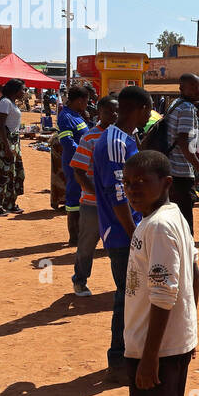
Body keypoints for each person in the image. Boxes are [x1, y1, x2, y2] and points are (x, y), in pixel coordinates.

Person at [115, 149, 198, 396]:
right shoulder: (167, 218)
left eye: (141, 183)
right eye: (127, 183)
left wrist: (149, 358)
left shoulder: (161, 226)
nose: (132, 191)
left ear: (166, 183)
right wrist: (190, 330)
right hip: (168, 344)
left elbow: (165, 294)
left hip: (157, 349)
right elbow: (193, 272)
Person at [90, 86, 153, 383]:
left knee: (132, 295)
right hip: (122, 233)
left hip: (125, 230)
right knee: (127, 297)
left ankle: (126, 355)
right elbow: (118, 194)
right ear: (139, 110)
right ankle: (119, 359)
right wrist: (134, 233)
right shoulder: (116, 142)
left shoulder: (123, 139)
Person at [70, 95, 118, 297]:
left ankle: (123, 284)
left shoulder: (125, 136)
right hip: (93, 204)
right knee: (87, 245)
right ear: (99, 112)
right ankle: (80, 280)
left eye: (117, 111)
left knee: (119, 246)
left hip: (118, 203)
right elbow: (78, 171)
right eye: (109, 111)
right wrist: (96, 193)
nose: (114, 115)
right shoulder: (89, 138)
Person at [167, 74, 199, 235]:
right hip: (180, 174)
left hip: (170, 170)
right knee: (186, 229)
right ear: (182, 88)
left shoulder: (175, 104)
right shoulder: (187, 108)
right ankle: (188, 260)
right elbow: (183, 143)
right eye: (194, 87)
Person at [57, 86, 90, 246]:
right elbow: (67, 143)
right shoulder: (66, 117)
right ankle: (74, 237)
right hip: (74, 163)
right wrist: (85, 154)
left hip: (82, 162)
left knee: (80, 197)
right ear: (79, 100)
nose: (87, 104)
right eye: (86, 101)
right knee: (74, 198)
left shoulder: (76, 115)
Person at [0, 78, 26, 215]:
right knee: (3, 175)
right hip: (5, 142)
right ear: (15, 90)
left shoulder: (11, 103)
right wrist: (6, 147)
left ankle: (9, 203)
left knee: (15, 173)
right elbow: (0, 125)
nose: (24, 92)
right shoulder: (5, 102)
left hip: (13, 141)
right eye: (23, 89)